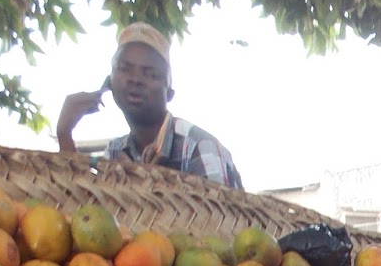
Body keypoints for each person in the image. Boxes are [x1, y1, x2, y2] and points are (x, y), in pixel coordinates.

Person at [56, 23, 243, 189]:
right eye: (124, 68)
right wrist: (65, 134)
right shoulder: (115, 152)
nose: (135, 79)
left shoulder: (198, 147)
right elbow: (87, 214)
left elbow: (215, 223)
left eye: (150, 74)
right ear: (109, 84)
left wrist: (154, 186)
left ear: (169, 94)